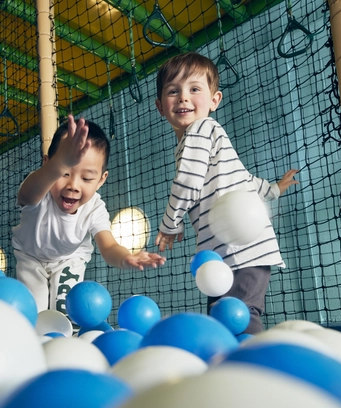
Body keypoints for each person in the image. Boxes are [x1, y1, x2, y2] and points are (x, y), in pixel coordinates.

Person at [154, 52, 299, 334]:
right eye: (174, 91)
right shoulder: (200, 138)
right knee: (225, 318)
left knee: (238, 316)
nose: (183, 97)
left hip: (242, 249)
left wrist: (170, 224)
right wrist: (272, 189)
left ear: (214, 100)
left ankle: (255, 367)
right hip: (223, 253)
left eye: (194, 89)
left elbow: (187, 183)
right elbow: (241, 178)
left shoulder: (201, 129)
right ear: (161, 106)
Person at [12, 115, 166, 315]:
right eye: (65, 173)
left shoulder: (94, 208)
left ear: (101, 180)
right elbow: (27, 194)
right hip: (30, 256)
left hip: (69, 258)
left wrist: (126, 258)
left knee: (65, 312)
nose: (73, 186)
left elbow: (109, 246)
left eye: (86, 178)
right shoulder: (40, 188)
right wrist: (59, 164)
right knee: (32, 313)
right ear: (48, 165)